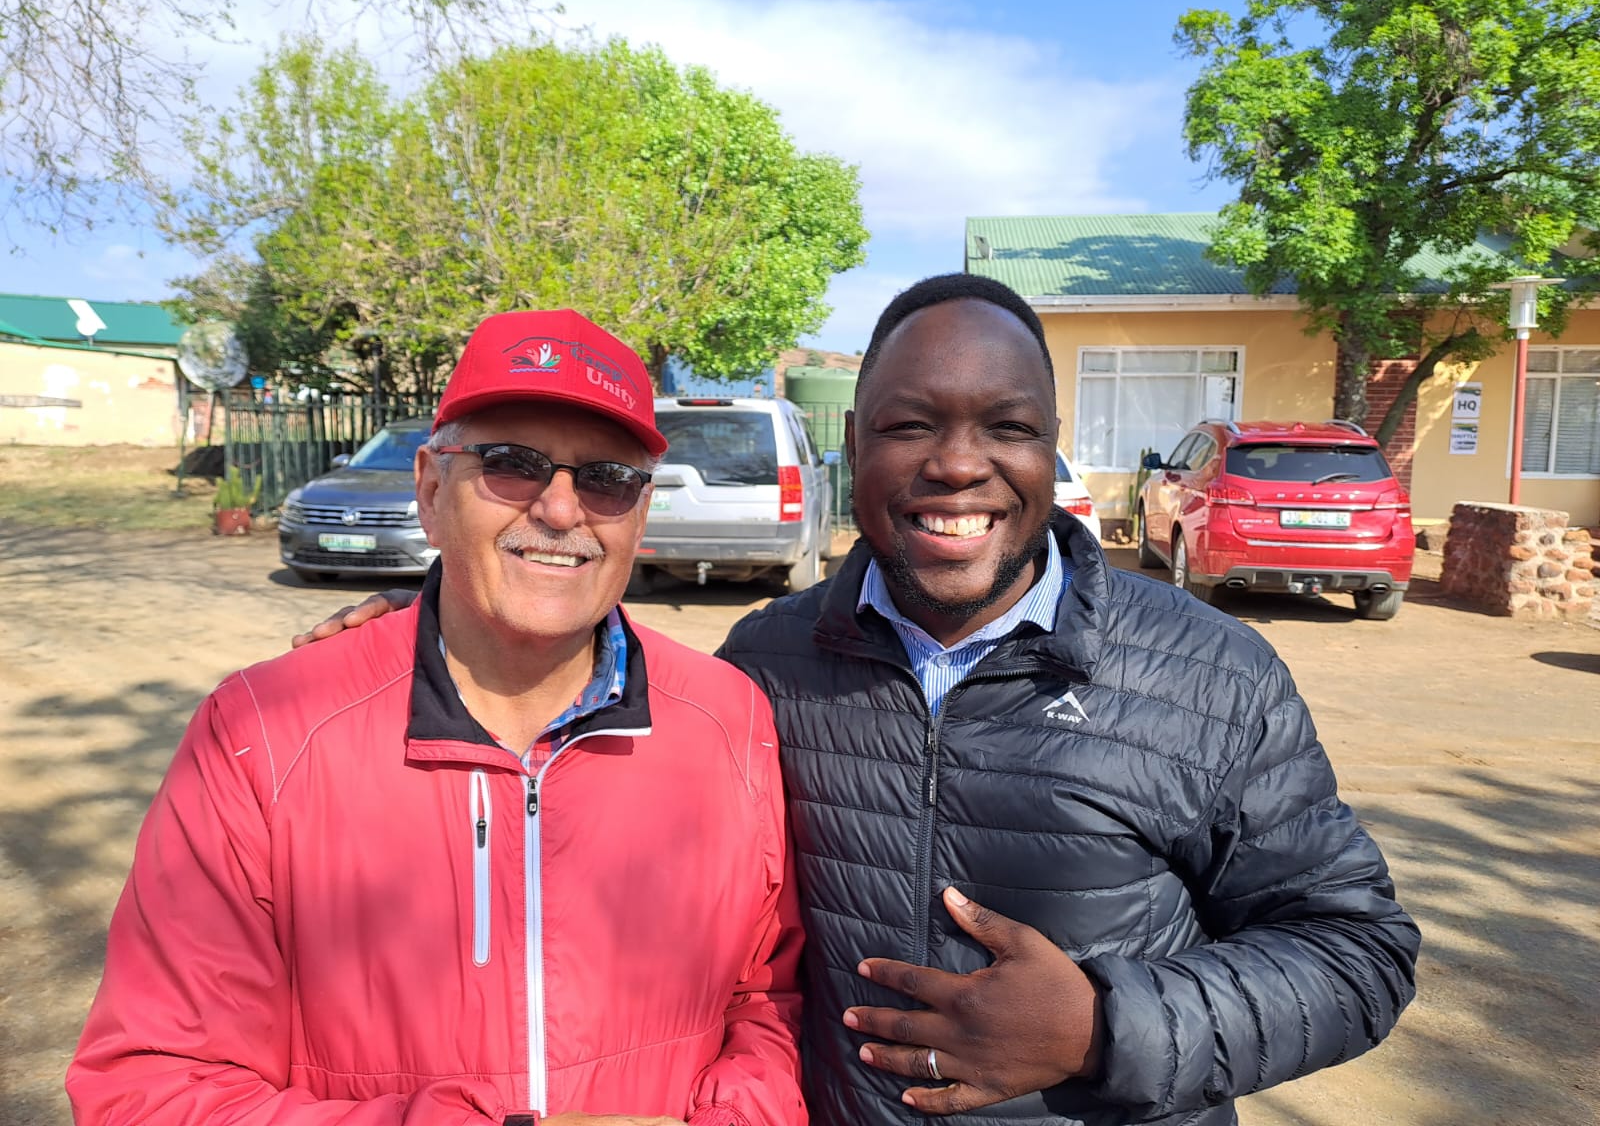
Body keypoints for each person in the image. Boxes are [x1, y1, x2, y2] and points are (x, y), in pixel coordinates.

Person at [292, 276, 1420, 1126]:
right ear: (850, 442)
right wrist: (434, 624)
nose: (957, 464)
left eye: (1007, 427)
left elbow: (1354, 952)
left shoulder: (1209, 674)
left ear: (1051, 448)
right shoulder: (763, 667)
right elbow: (585, 675)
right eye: (910, 424)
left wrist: (1102, 1028)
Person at [68, 310, 807, 1126]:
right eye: (512, 466)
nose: (562, 511)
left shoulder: (728, 720)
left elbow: (768, 993)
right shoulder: (263, 733)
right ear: (429, 487)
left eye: (607, 478)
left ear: (639, 514)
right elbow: (158, 1083)